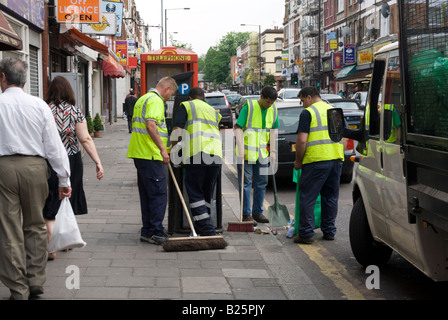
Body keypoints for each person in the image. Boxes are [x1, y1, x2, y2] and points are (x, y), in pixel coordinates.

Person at [0, 58, 72, 300]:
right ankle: (35, 280)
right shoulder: (39, 106)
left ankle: (17, 288)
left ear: (2, 77)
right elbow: (54, 145)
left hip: (4, 169)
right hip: (35, 167)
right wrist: (64, 179)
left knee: (8, 230)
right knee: (36, 225)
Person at [43, 76, 104, 260]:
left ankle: (51, 247)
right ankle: (66, 241)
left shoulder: (44, 110)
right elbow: (85, 139)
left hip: (49, 161)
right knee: (67, 197)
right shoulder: (75, 111)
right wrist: (97, 162)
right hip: (71, 160)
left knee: (50, 200)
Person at [127, 76, 178, 245]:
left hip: (140, 153)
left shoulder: (142, 98)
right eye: (171, 93)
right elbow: (151, 125)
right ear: (167, 88)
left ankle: (147, 230)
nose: (170, 97)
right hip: (151, 154)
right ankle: (156, 231)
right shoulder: (156, 101)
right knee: (158, 194)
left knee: (147, 194)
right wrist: (163, 150)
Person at [293, 86, 344, 244]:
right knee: (330, 197)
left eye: (302, 101)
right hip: (335, 159)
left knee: (308, 197)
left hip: (316, 161)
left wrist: (298, 161)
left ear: (309, 97)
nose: (303, 104)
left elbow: (302, 140)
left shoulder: (308, 113)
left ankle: (306, 234)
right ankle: (329, 231)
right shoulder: (334, 110)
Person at [171, 87, 222, 236]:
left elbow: (177, 129)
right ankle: (202, 227)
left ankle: (207, 229)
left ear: (190, 97)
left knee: (194, 191)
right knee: (206, 193)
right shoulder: (212, 110)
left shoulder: (187, 106)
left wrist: (175, 151)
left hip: (197, 152)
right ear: (203, 97)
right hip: (215, 154)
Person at [234, 86, 279, 224]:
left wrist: (273, 151)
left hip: (262, 153)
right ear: (261, 97)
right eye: (267, 102)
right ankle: (246, 213)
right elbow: (237, 128)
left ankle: (257, 213)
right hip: (246, 153)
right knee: (246, 183)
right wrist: (241, 148)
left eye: (271, 102)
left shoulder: (273, 109)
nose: (269, 105)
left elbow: (273, 131)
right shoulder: (249, 107)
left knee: (262, 183)